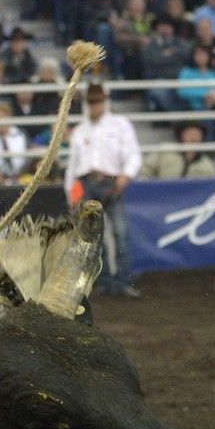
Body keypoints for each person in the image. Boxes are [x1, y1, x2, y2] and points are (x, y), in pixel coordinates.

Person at [64, 83, 142, 299]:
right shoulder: (81, 130)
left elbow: (133, 154)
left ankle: (122, 280)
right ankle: (105, 280)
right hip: (87, 183)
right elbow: (73, 166)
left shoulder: (120, 125)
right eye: (91, 102)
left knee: (119, 232)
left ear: (104, 101)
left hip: (111, 182)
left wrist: (126, 176)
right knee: (95, 236)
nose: (94, 106)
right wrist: (71, 193)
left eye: (97, 101)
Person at [139, 122, 215, 180]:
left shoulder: (206, 165)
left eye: (197, 135)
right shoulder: (165, 150)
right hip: (161, 196)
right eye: (190, 134)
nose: (194, 138)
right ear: (181, 135)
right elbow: (145, 171)